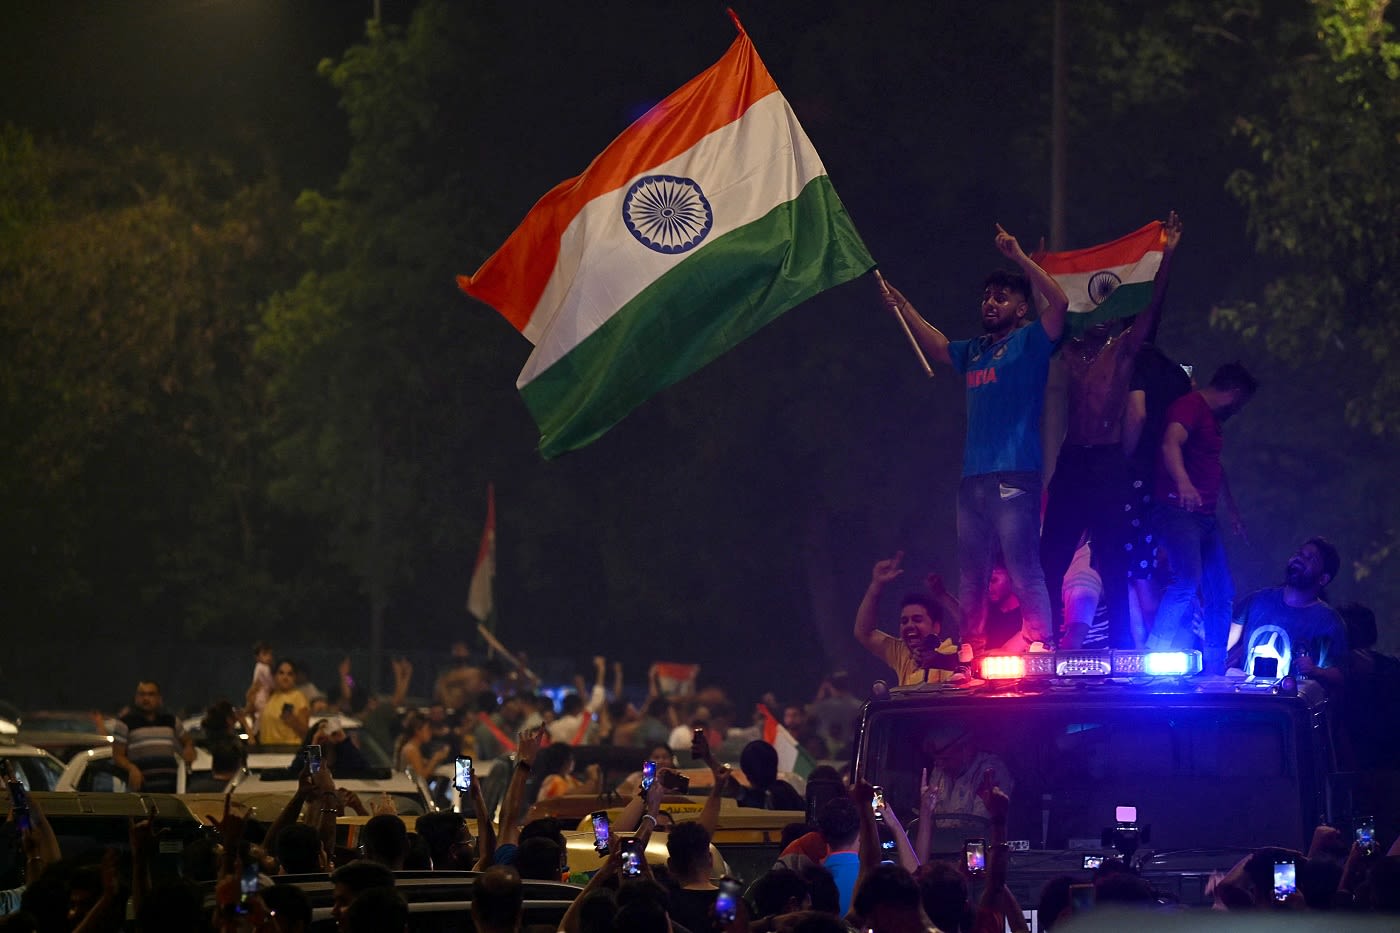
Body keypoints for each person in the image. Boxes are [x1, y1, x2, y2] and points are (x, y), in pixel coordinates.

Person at [880, 224, 1069, 654]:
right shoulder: (977, 350)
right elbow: (940, 347)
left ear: (1022, 309)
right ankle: (972, 645)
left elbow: (1059, 302)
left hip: (1015, 475)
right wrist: (903, 305)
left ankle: (1041, 640)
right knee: (971, 573)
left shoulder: (1031, 342)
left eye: (1001, 297)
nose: (990, 303)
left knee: (1022, 567)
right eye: (986, 297)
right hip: (973, 480)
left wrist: (1020, 257)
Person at [1041, 212, 1181, 649]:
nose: (1099, 316)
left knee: (1113, 558)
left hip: (1106, 462)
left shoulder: (1123, 351)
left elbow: (1152, 308)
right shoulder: (1072, 351)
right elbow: (1050, 311)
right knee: (1050, 556)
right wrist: (1036, 270)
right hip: (1073, 459)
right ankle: (1046, 640)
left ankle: (1121, 645)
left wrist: (1168, 255)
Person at [1146, 362, 1259, 674]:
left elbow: (1213, 465)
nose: (1238, 410)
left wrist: (1232, 509)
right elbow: (1170, 442)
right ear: (1235, 393)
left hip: (1206, 517)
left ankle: (1214, 665)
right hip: (1177, 511)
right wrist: (1183, 482)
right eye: (1241, 403)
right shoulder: (1190, 406)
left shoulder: (1210, 419)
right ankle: (1153, 654)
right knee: (1186, 579)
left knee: (1222, 592)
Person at [1228, 538, 1349, 690]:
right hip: (1249, 703)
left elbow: (1342, 675)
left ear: (1323, 578)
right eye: (1299, 553)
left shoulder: (1330, 622)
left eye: (1309, 558)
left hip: (1290, 709)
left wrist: (1316, 671)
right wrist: (1207, 634)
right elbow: (1224, 642)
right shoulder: (1256, 601)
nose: (1299, 558)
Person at [853, 554, 963, 685]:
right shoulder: (902, 654)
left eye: (917, 619)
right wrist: (876, 584)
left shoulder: (952, 655)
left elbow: (970, 627)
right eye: (904, 621)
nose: (909, 625)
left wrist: (942, 595)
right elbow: (864, 633)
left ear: (936, 627)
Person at [111, 680, 195, 793]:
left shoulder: (171, 720)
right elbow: (117, 756)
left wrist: (189, 748)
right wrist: (131, 768)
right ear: (136, 698)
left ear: (159, 699)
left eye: (151, 694)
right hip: (141, 792)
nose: (146, 699)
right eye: (142, 694)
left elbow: (187, 740)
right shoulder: (124, 723)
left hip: (171, 791)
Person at [548, 655, 609, 745]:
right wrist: (601, 669)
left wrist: (581, 688)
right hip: (580, 758)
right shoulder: (581, 721)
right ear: (578, 707)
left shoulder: (553, 727)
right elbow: (597, 699)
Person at [260, 659, 311, 746]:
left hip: (287, 752)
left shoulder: (298, 697)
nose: (285, 677)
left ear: (295, 677)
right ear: (274, 676)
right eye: (281, 673)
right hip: (267, 752)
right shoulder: (270, 697)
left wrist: (293, 721)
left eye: (290, 674)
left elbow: (306, 734)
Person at [395, 711, 450, 780]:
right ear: (417, 731)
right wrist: (435, 759)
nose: (430, 733)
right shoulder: (411, 749)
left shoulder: (413, 747)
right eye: (427, 729)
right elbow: (421, 777)